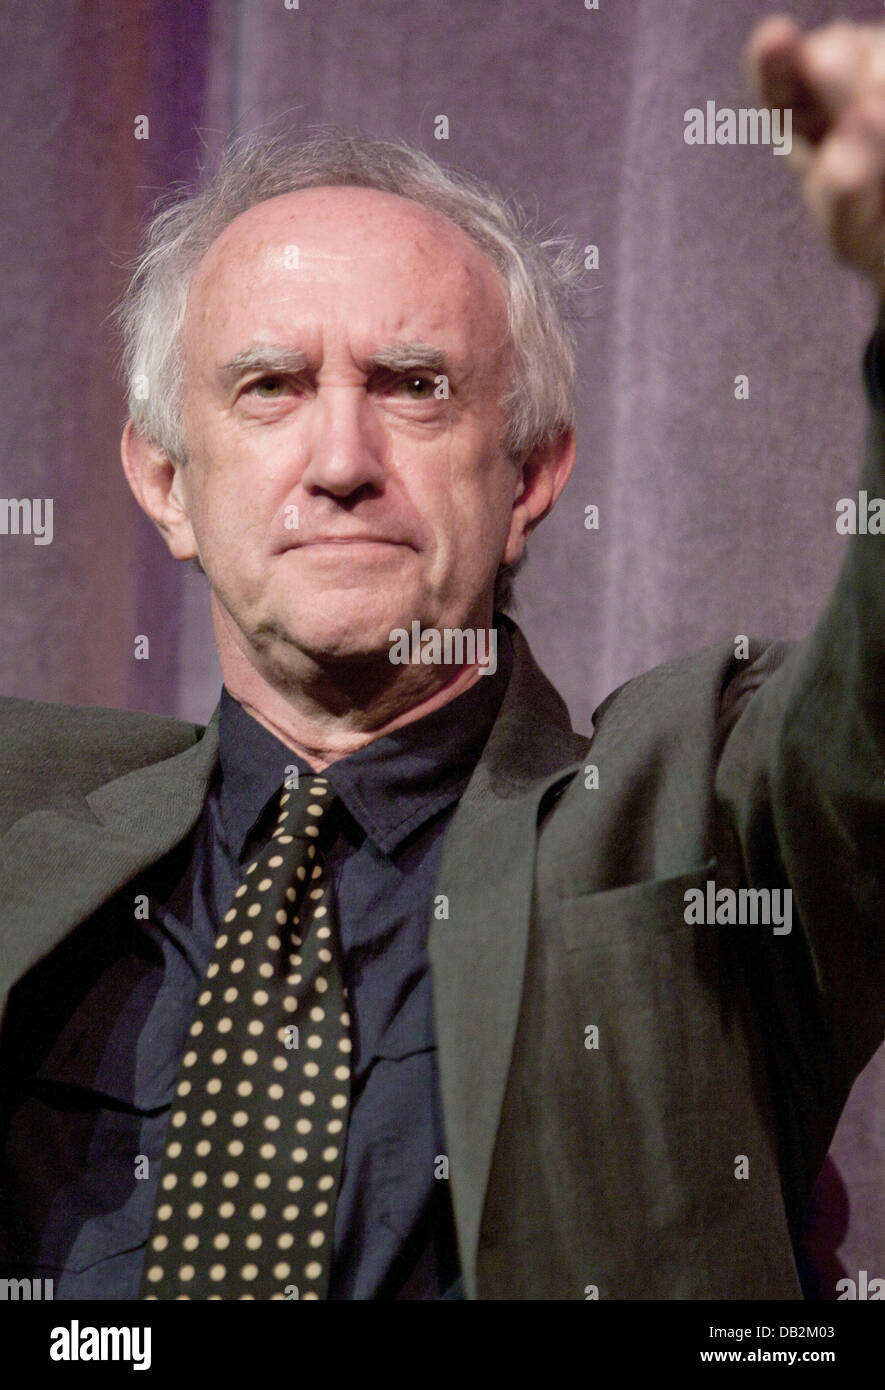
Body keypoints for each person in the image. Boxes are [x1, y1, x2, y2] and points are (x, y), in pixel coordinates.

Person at [0, 14, 883, 1300]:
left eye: (415, 386)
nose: (345, 460)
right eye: (271, 388)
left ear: (531, 470)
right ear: (166, 481)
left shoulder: (698, 817)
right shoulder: (25, 813)